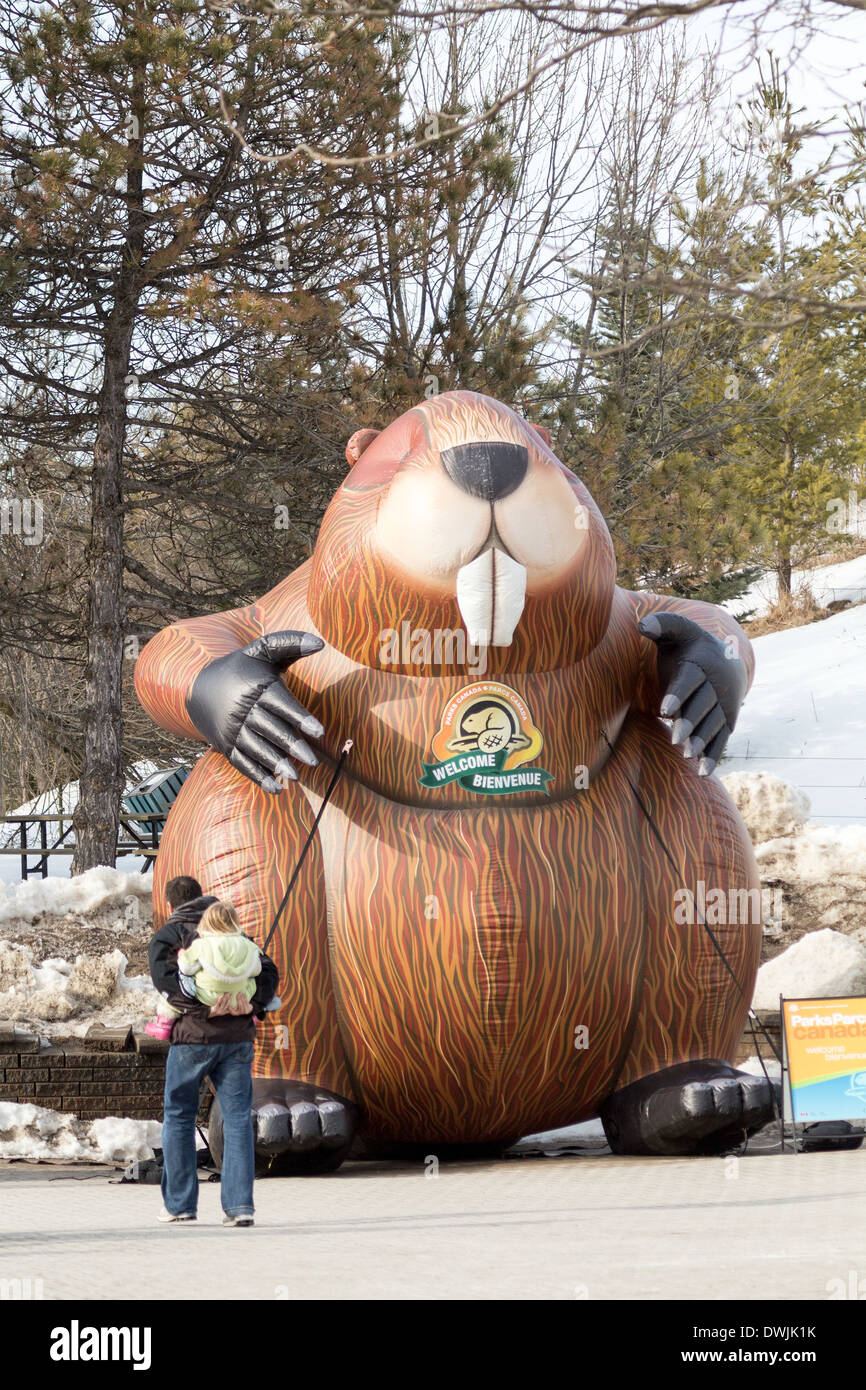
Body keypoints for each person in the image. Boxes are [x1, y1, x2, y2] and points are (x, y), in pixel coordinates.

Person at [147, 875, 280, 1228]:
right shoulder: (236, 935)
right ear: (204, 899)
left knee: (179, 1116)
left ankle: (180, 1205)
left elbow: (168, 985)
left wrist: (206, 1011)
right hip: (237, 1040)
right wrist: (250, 1005)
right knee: (237, 1119)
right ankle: (240, 1208)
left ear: (171, 905)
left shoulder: (169, 936)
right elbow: (268, 971)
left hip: (192, 1040)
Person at [146, 899, 281, 1040]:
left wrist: (181, 957)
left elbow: (187, 967)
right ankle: (253, 1015)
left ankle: (164, 1025)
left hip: (207, 998)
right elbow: (258, 969)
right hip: (239, 998)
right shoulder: (247, 945)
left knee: (169, 994)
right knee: (252, 982)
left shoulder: (202, 945)